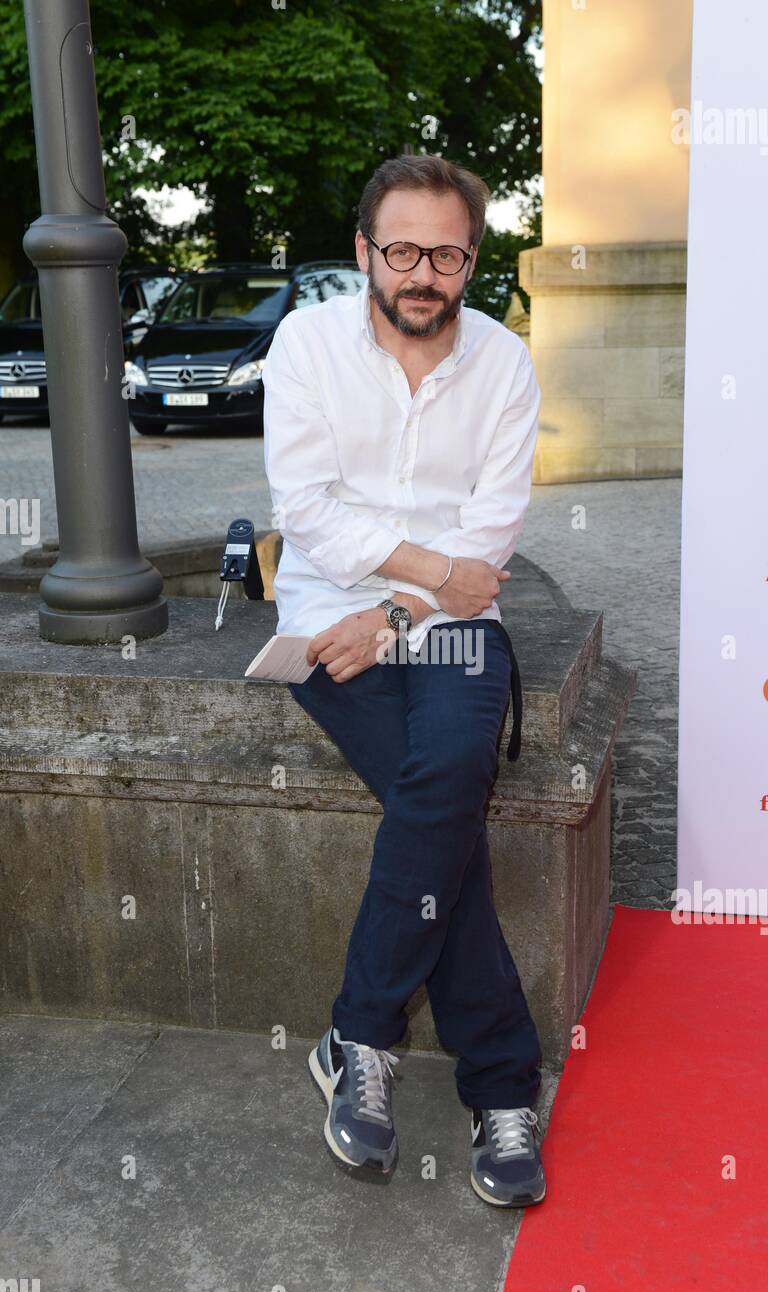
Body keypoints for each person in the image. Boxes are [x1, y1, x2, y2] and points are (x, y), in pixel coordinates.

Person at [262, 154, 545, 1207]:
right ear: (363, 252)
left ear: (472, 258)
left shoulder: (506, 364)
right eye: (402, 250)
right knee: (445, 813)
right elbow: (310, 511)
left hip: (441, 625)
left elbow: (492, 536)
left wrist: (402, 610)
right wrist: (415, 586)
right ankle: (504, 1084)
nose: (422, 273)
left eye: (446, 253)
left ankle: (362, 1034)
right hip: (326, 621)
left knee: (453, 763)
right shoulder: (304, 345)